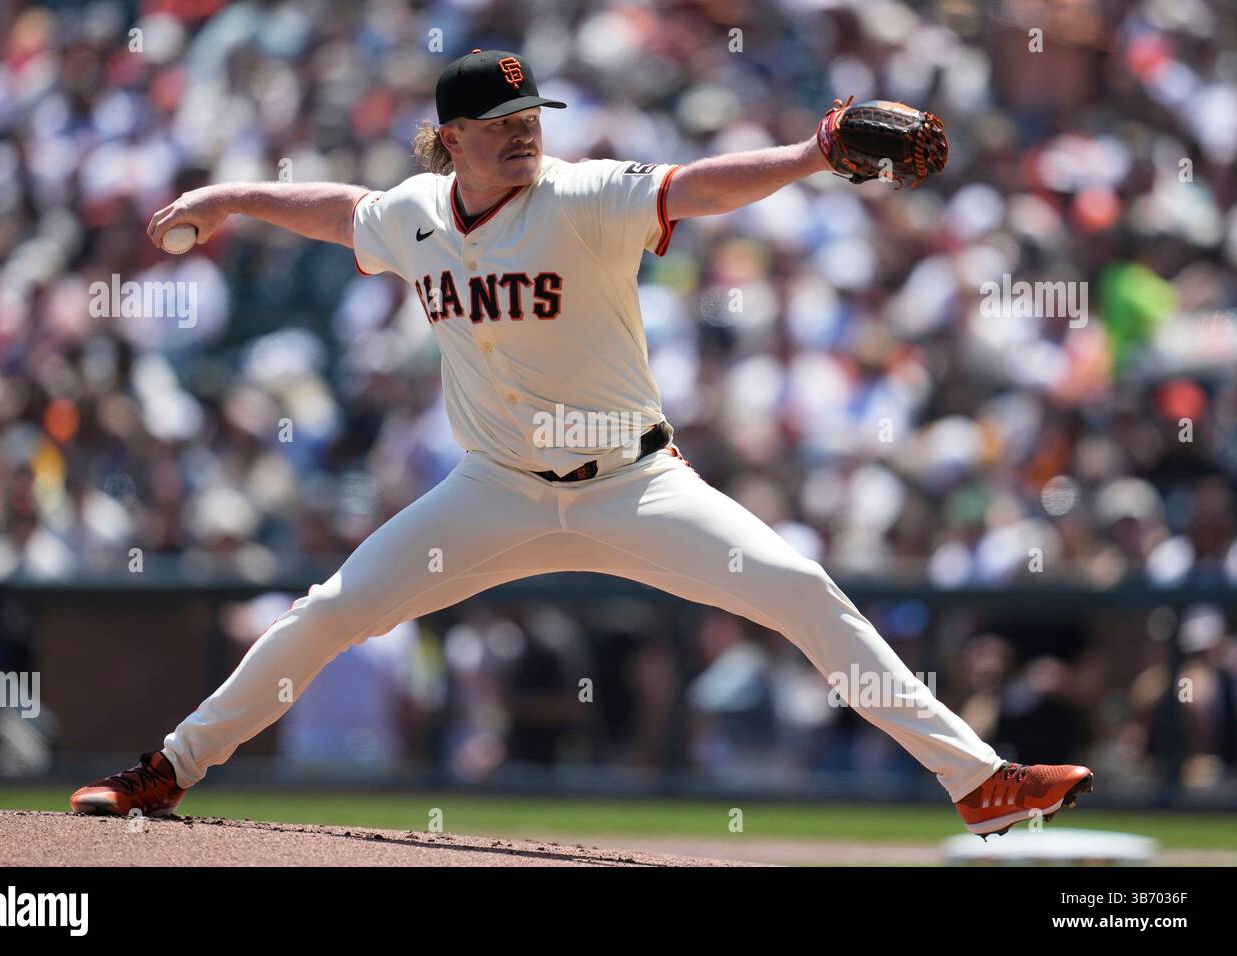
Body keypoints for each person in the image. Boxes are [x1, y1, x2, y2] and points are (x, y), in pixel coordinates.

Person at [70, 49, 1093, 839]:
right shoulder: (415, 215)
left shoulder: (585, 193)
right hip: (494, 491)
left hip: (634, 483)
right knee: (331, 610)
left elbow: (695, 185)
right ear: (452, 136)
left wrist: (811, 154)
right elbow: (344, 211)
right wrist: (233, 197)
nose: (524, 134)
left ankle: (977, 781)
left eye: (531, 117)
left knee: (800, 589)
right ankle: (165, 766)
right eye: (503, 122)